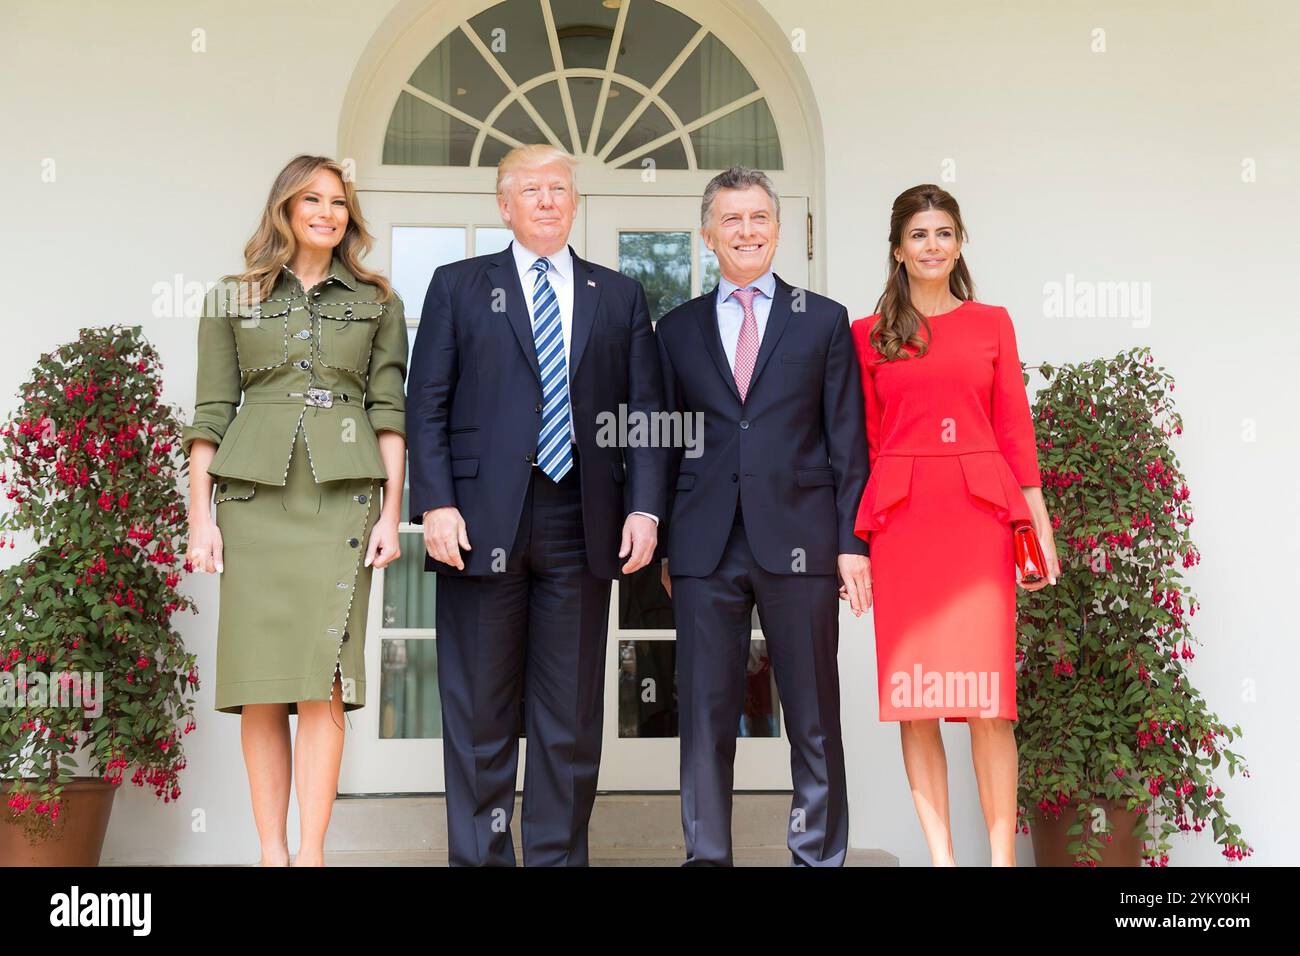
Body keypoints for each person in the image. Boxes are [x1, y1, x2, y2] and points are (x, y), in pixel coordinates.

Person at [406, 144, 667, 866]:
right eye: (531, 188)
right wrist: (435, 503)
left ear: (574, 201)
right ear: (504, 204)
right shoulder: (458, 286)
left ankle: (556, 859)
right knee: (481, 714)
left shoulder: (619, 295)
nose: (547, 199)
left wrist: (644, 509)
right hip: (477, 521)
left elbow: (643, 413)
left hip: (584, 522)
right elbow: (425, 402)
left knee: (569, 720)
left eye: (559, 188)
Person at [181, 155, 409, 867]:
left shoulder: (379, 301)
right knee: (261, 685)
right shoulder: (231, 298)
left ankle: (310, 855)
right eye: (311, 199)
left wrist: (390, 513)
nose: (326, 212)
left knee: (324, 684)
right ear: (284, 208)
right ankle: (271, 855)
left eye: (338, 202)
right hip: (252, 504)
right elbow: (212, 413)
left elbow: (389, 413)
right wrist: (200, 519)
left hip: (344, 500)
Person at [656, 165, 871, 866]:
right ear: (707, 235)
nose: (746, 231)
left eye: (758, 219)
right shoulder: (677, 328)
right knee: (705, 717)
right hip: (702, 545)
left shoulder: (825, 321)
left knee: (811, 717)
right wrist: (660, 535)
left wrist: (851, 543)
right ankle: (707, 856)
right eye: (732, 220)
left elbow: (848, 442)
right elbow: (662, 438)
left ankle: (816, 857)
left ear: (777, 231)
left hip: (803, 541)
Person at [851, 183, 1061, 866]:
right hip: (905, 526)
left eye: (944, 232)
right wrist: (853, 544)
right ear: (897, 249)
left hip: (980, 523)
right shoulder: (866, 335)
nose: (932, 245)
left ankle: (1001, 861)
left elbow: (1014, 431)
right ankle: (943, 861)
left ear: (960, 242)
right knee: (914, 699)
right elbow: (865, 444)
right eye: (919, 235)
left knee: (989, 701)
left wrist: (1039, 529)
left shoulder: (991, 323)